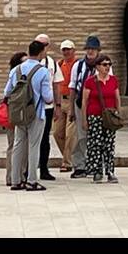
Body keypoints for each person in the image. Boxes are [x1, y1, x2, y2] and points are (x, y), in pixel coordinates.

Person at [4, 39, 54, 191]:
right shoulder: (43, 71)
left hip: (19, 113)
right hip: (36, 113)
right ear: (40, 53)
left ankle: (15, 180)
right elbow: (48, 97)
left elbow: (7, 92)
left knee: (18, 145)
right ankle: (32, 180)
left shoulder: (16, 70)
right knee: (34, 146)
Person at [82, 54, 122, 183]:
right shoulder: (90, 81)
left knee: (109, 144)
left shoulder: (113, 80)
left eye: (109, 64)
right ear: (97, 66)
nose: (107, 67)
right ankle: (97, 170)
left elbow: (117, 98)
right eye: (105, 64)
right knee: (96, 143)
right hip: (95, 116)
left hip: (109, 116)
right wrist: (84, 119)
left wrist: (118, 114)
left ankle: (110, 170)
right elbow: (84, 101)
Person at [67, 34, 101, 177]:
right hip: (81, 104)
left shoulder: (103, 65)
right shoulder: (78, 65)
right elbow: (73, 86)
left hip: (97, 105)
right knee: (80, 136)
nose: (90, 51)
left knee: (96, 136)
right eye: (88, 48)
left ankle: (95, 164)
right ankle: (80, 165)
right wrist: (71, 109)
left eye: (93, 49)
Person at [32, 34, 60, 181]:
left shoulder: (52, 64)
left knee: (44, 139)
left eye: (44, 44)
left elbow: (56, 85)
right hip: (31, 107)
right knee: (29, 139)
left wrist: (58, 105)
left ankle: (43, 168)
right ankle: (28, 170)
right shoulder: (27, 62)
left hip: (47, 107)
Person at [3, 51, 26, 187]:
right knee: (13, 144)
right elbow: (6, 93)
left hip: (22, 114)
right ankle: (12, 176)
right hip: (14, 113)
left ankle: (20, 174)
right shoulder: (14, 76)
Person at [54, 40, 76, 171]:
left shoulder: (77, 65)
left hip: (72, 100)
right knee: (57, 133)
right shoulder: (59, 65)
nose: (66, 52)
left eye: (68, 49)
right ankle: (69, 158)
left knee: (70, 134)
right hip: (60, 101)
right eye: (64, 50)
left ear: (73, 50)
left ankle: (66, 163)